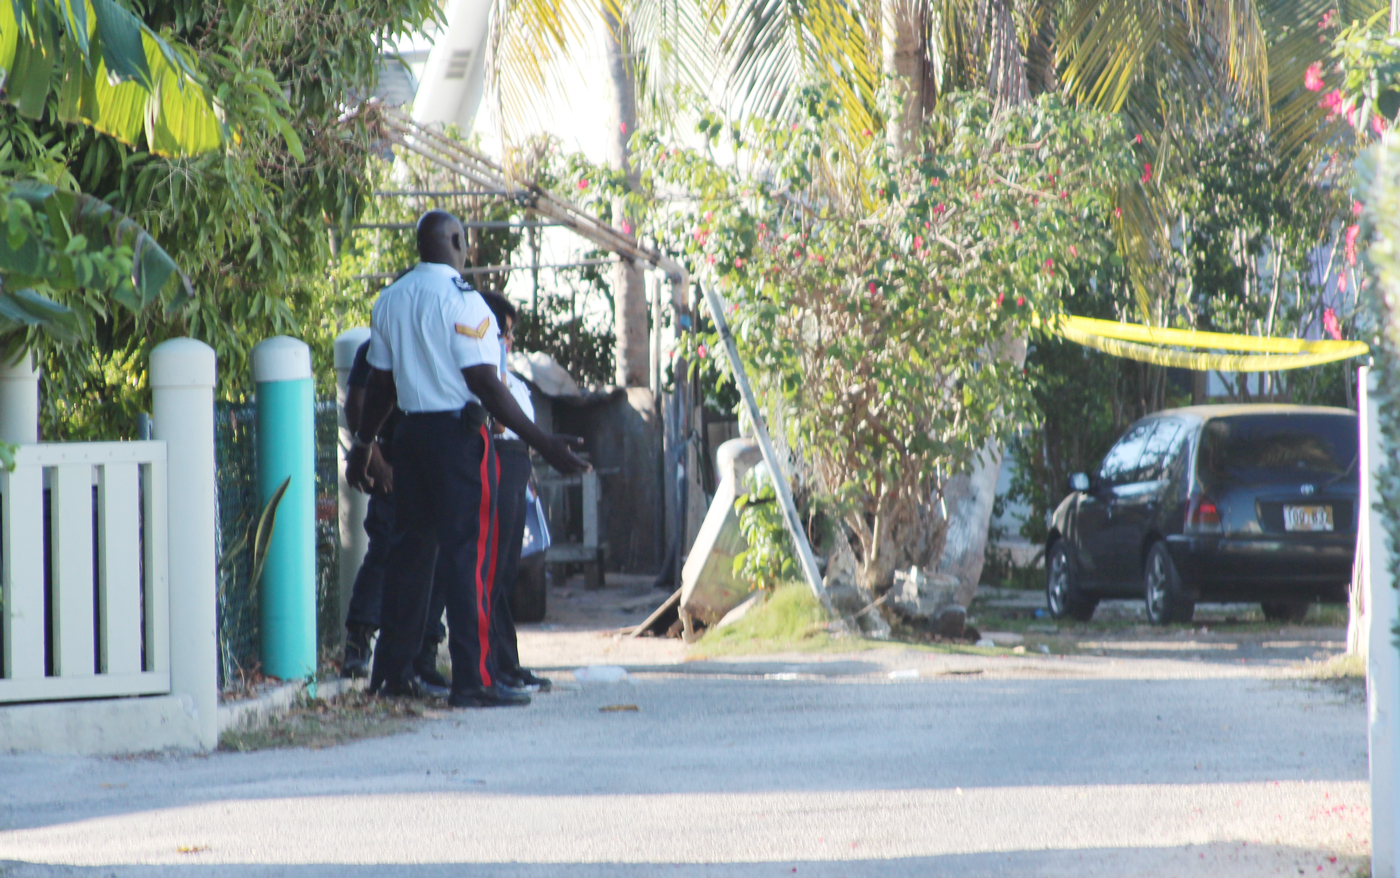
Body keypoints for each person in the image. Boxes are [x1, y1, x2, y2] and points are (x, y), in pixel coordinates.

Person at [346, 210, 588, 708]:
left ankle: (391, 673)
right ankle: (474, 680)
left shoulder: (389, 301)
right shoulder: (466, 301)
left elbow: (382, 386)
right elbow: (484, 384)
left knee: (410, 557)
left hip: (408, 437)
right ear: (457, 240)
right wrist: (543, 443)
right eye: (463, 242)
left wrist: (364, 446)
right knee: (468, 560)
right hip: (457, 440)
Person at [421, 291, 551, 692]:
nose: (508, 341)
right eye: (502, 332)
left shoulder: (507, 374)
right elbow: (494, 421)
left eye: (510, 334)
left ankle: (504, 662)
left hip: (515, 467)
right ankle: (486, 666)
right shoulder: (481, 371)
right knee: (483, 573)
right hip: (492, 464)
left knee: (504, 573)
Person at [340, 334, 447, 687]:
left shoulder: (439, 342)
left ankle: (424, 653)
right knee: (385, 547)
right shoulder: (375, 348)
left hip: (432, 454)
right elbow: (356, 404)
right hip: (390, 455)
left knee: (437, 556)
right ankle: (359, 642)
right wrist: (375, 459)